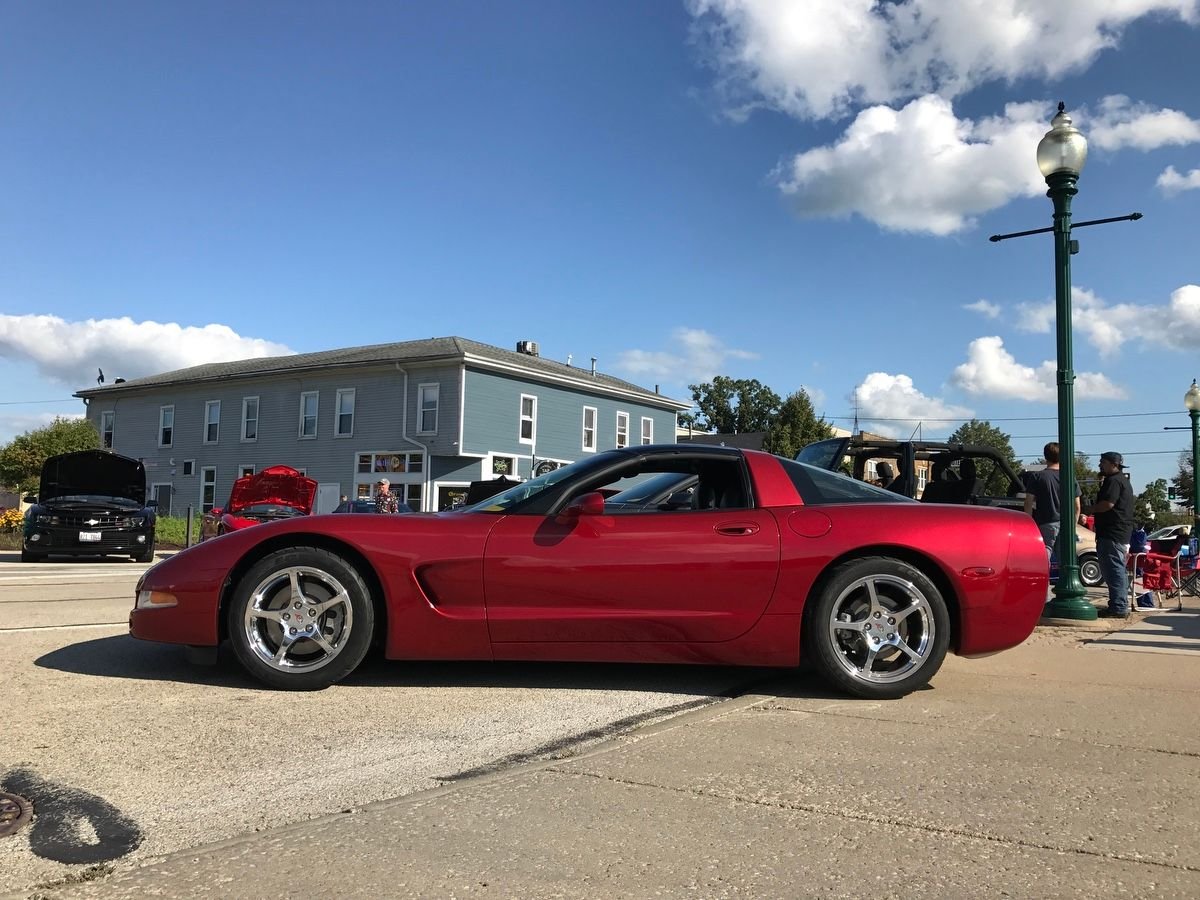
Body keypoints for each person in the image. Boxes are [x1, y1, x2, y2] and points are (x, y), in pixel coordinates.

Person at [1086, 451, 1135, 618]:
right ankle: (1118, 604)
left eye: (1103, 462)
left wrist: (1091, 509)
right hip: (1118, 532)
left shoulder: (1114, 481)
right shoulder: (1122, 481)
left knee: (1114, 569)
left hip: (1112, 532)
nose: (1100, 465)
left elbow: (1108, 504)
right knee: (1115, 569)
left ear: (1114, 464)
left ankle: (1119, 607)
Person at [1022, 442, 1081, 563]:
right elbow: (1077, 506)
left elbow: (1028, 502)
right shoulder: (1070, 477)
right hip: (1066, 523)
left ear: (1045, 456)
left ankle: (1044, 580)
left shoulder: (1037, 476)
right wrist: (1073, 525)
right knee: (1065, 558)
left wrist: (1029, 522)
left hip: (1046, 521)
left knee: (1045, 552)